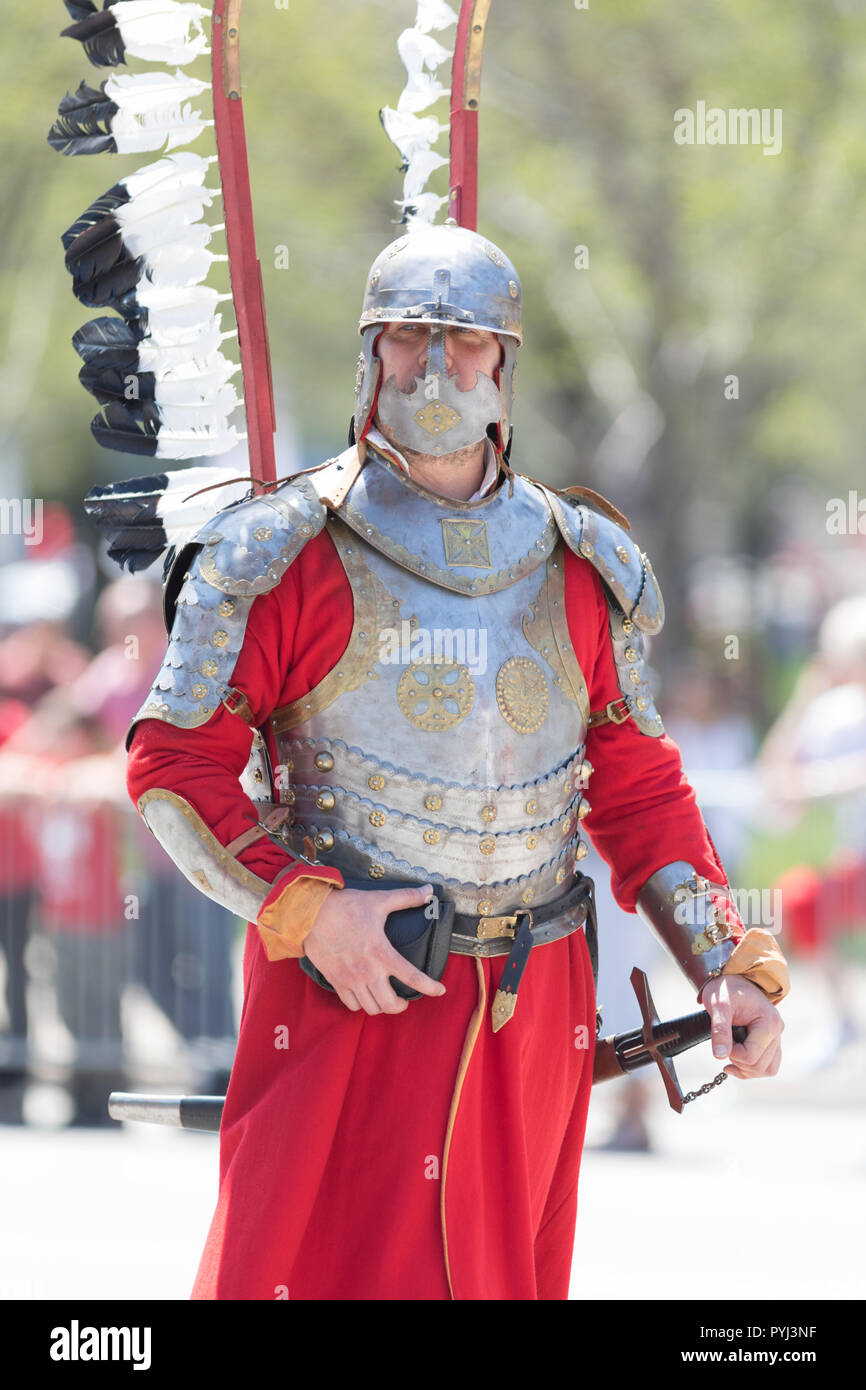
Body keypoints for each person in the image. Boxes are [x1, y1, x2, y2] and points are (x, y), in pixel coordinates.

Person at [125, 224, 788, 1300]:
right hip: (352, 991)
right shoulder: (280, 553)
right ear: (367, 352)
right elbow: (170, 767)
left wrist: (723, 963)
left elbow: (639, 789)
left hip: (528, 1005)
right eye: (405, 335)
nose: (433, 363)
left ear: (504, 362)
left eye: (464, 338)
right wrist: (303, 909)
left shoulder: (581, 561)